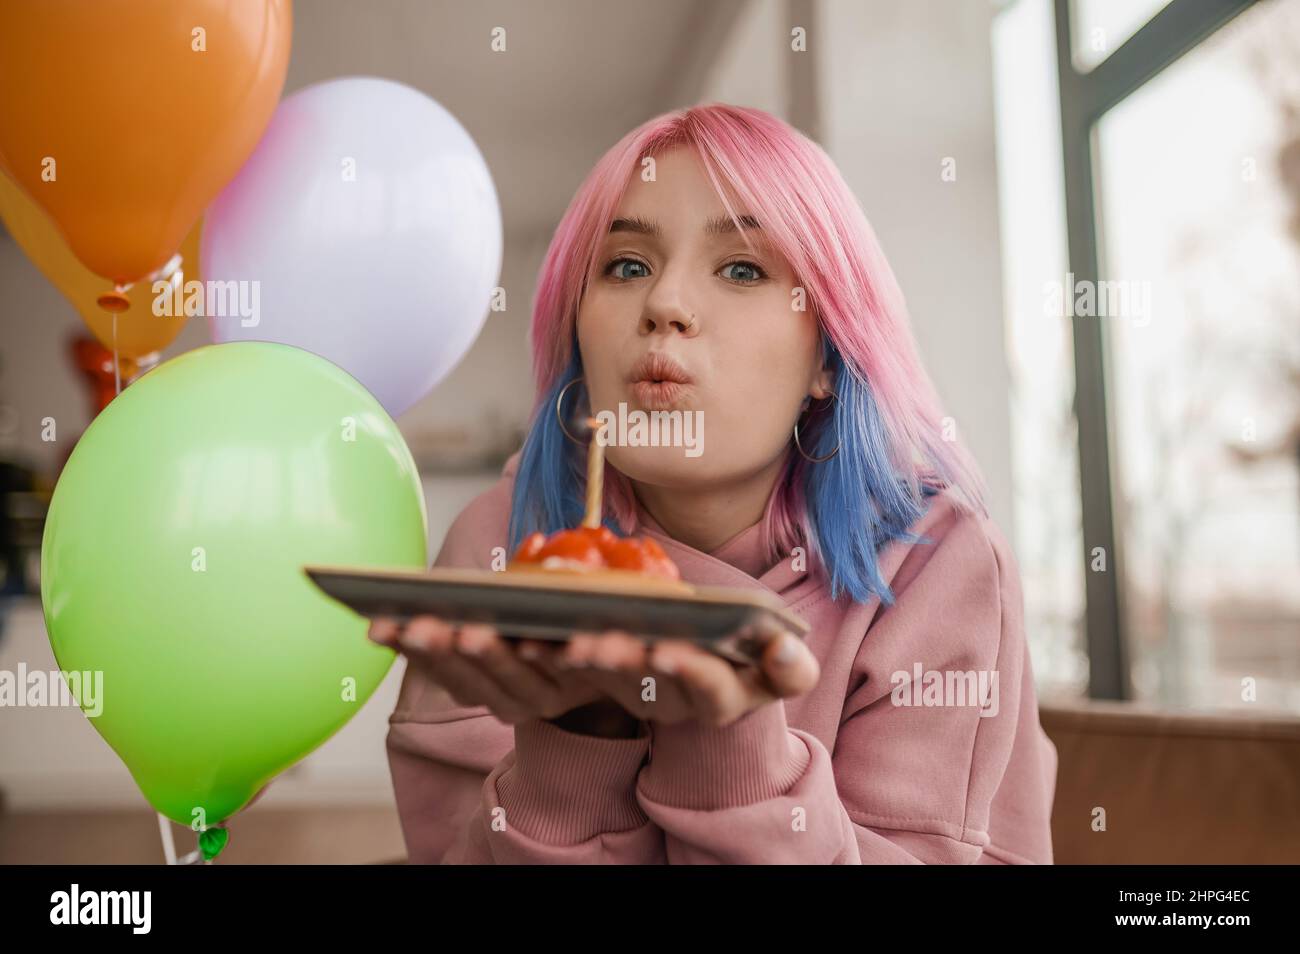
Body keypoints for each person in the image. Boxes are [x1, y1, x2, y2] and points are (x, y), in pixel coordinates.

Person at [370, 103, 1057, 864]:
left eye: (742, 269)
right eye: (627, 265)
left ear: (828, 356)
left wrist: (727, 740)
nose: (664, 304)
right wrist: (576, 738)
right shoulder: (499, 546)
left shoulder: (940, 564)